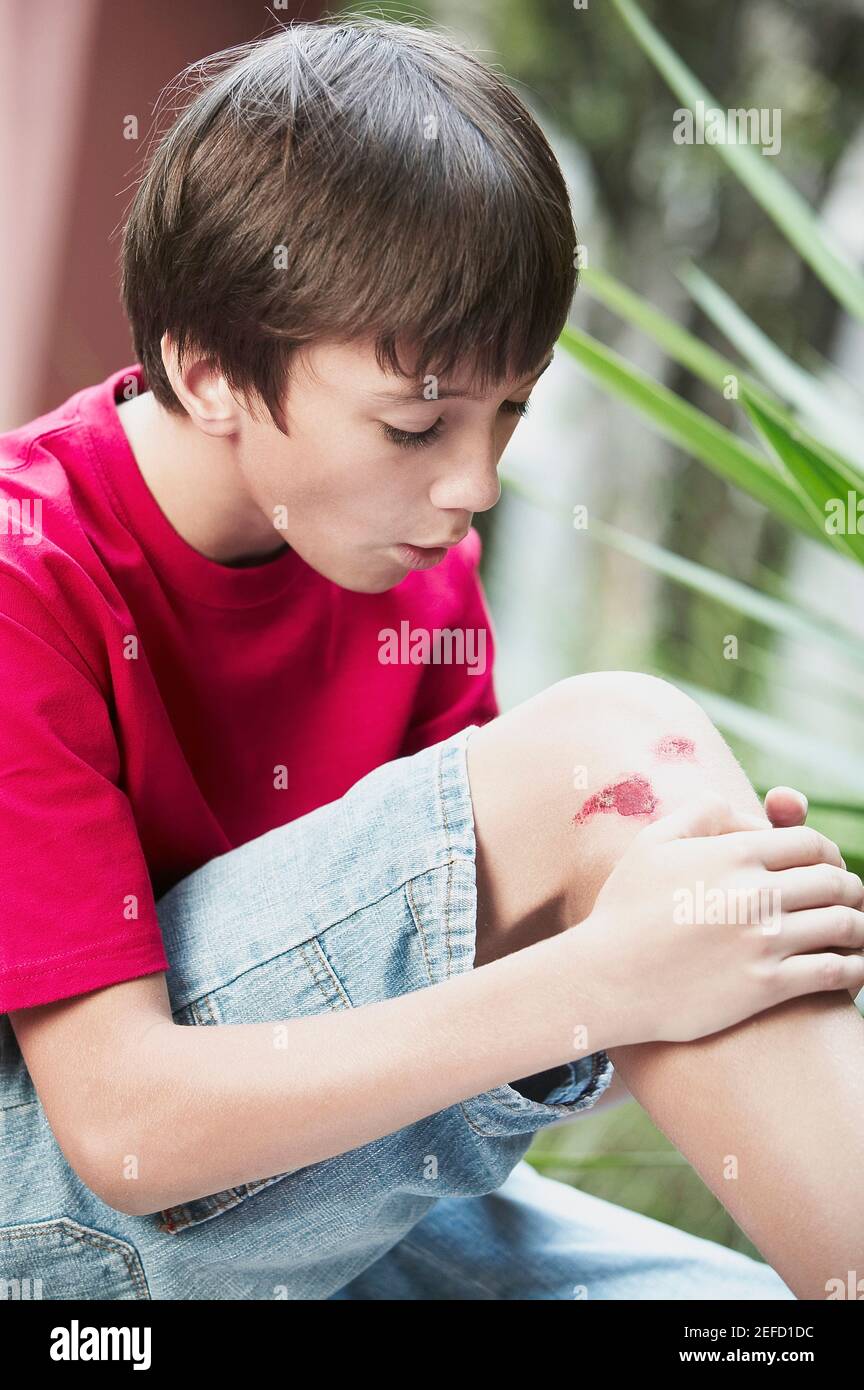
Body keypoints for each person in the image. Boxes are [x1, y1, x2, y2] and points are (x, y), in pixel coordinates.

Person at [1, 15, 862, 1302]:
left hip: (311, 1195)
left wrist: (690, 944)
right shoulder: (28, 573)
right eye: (418, 423)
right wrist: (602, 971)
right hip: (50, 1217)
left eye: (510, 411)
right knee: (608, 754)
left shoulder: (409, 561)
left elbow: (461, 1036)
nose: (479, 483)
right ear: (211, 370)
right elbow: (123, 1131)